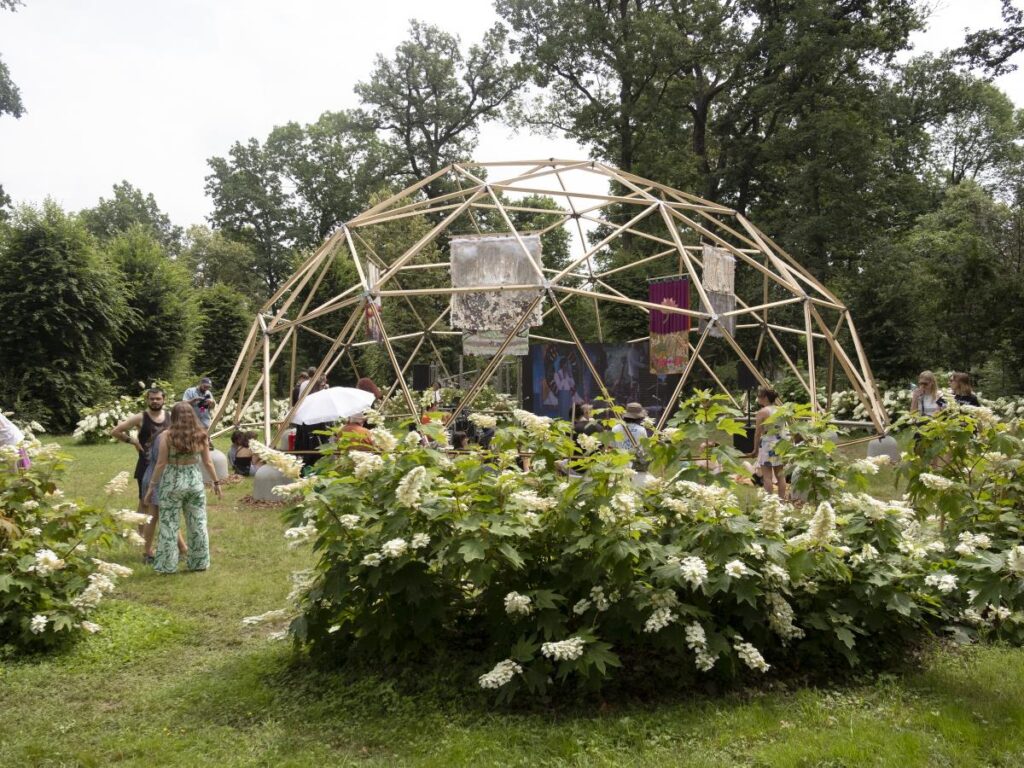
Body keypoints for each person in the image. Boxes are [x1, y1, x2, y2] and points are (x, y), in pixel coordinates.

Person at [144, 402, 221, 574]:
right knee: (198, 523)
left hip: (172, 481)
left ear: (174, 416)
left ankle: (166, 565)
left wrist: (151, 486)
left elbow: (161, 463)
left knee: (169, 524)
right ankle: (199, 563)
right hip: (194, 482)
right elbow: (208, 462)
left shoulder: (167, 435)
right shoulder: (201, 434)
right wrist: (216, 482)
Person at [111, 387, 169, 528]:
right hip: (146, 465)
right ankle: (141, 534)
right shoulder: (140, 417)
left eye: (158, 398)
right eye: (152, 399)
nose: (155, 401)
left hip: (167, 466)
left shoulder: (170, 416)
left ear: (163, 399)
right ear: (147, 400)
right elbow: (116, 431)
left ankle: (167, 533)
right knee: (144, 501)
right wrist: (134, 441)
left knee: (165, 502)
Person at [140, 428, 187, 565]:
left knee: (158, 516)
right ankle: (150, 552)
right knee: (158, 516)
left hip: (151, 475)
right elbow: (162, 462)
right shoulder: (166, 436)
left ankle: (180, 548)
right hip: (159, 478)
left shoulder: (160, 435)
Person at [751, 386, 788, 499]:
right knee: (780, 475)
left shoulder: (762, 412)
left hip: (768, 445)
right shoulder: (782, 410)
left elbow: (757, 433)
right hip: (781, 444)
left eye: (759, 396)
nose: (758, 398)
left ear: (765, 397)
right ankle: (781, 502)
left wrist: (755, 450)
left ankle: (769, 502)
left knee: (767, 476)